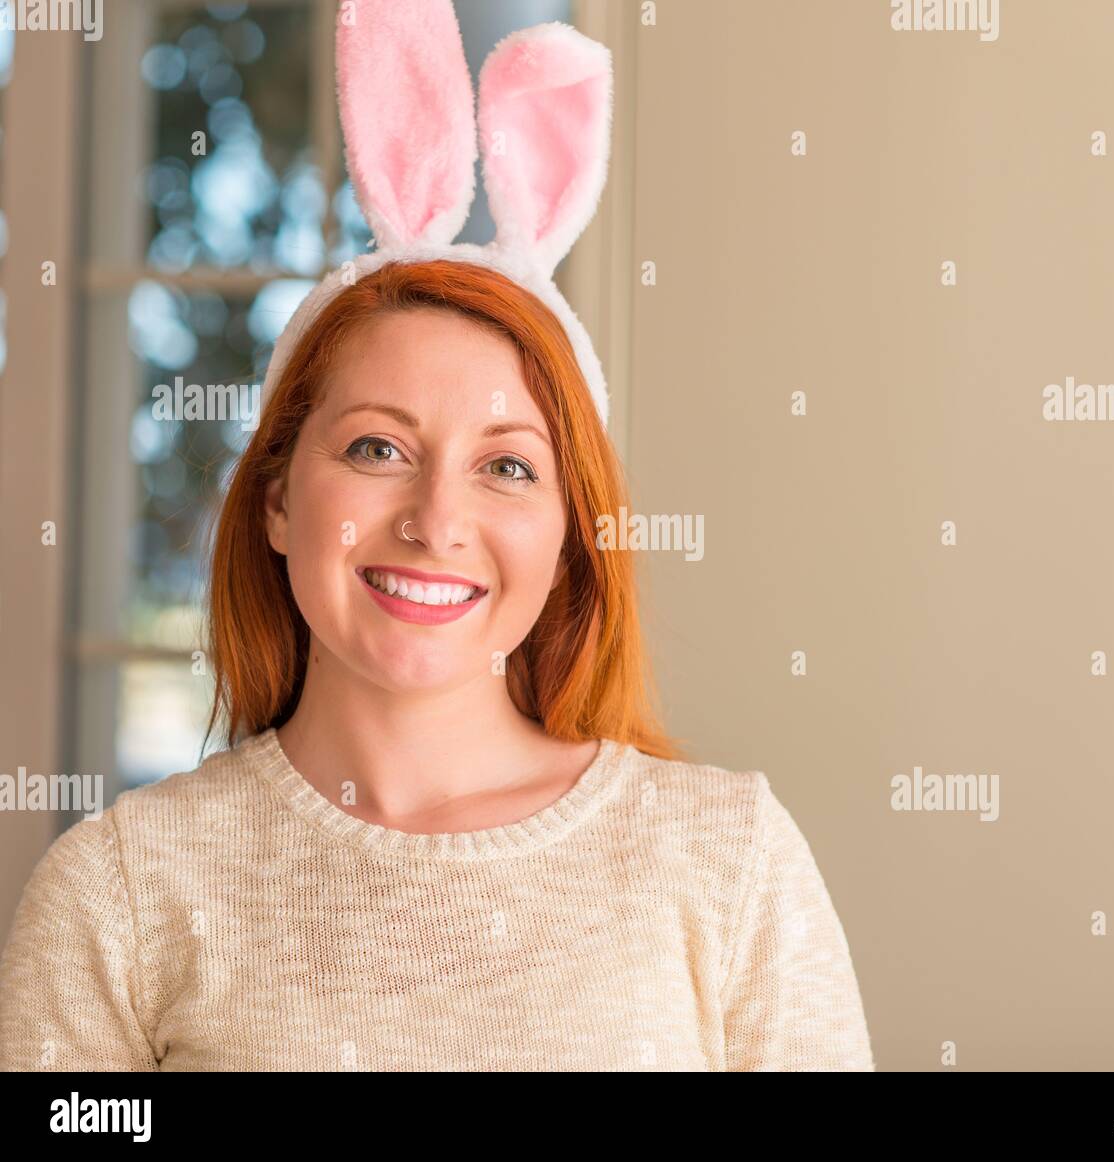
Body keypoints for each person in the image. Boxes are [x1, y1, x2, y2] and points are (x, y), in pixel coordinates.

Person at [0, 1, 874, 1072]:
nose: (435, 521)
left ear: (568, 538)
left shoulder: (728, 859)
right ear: (276, 499)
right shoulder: (121, 887)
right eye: (376, 448)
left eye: (507, 467)